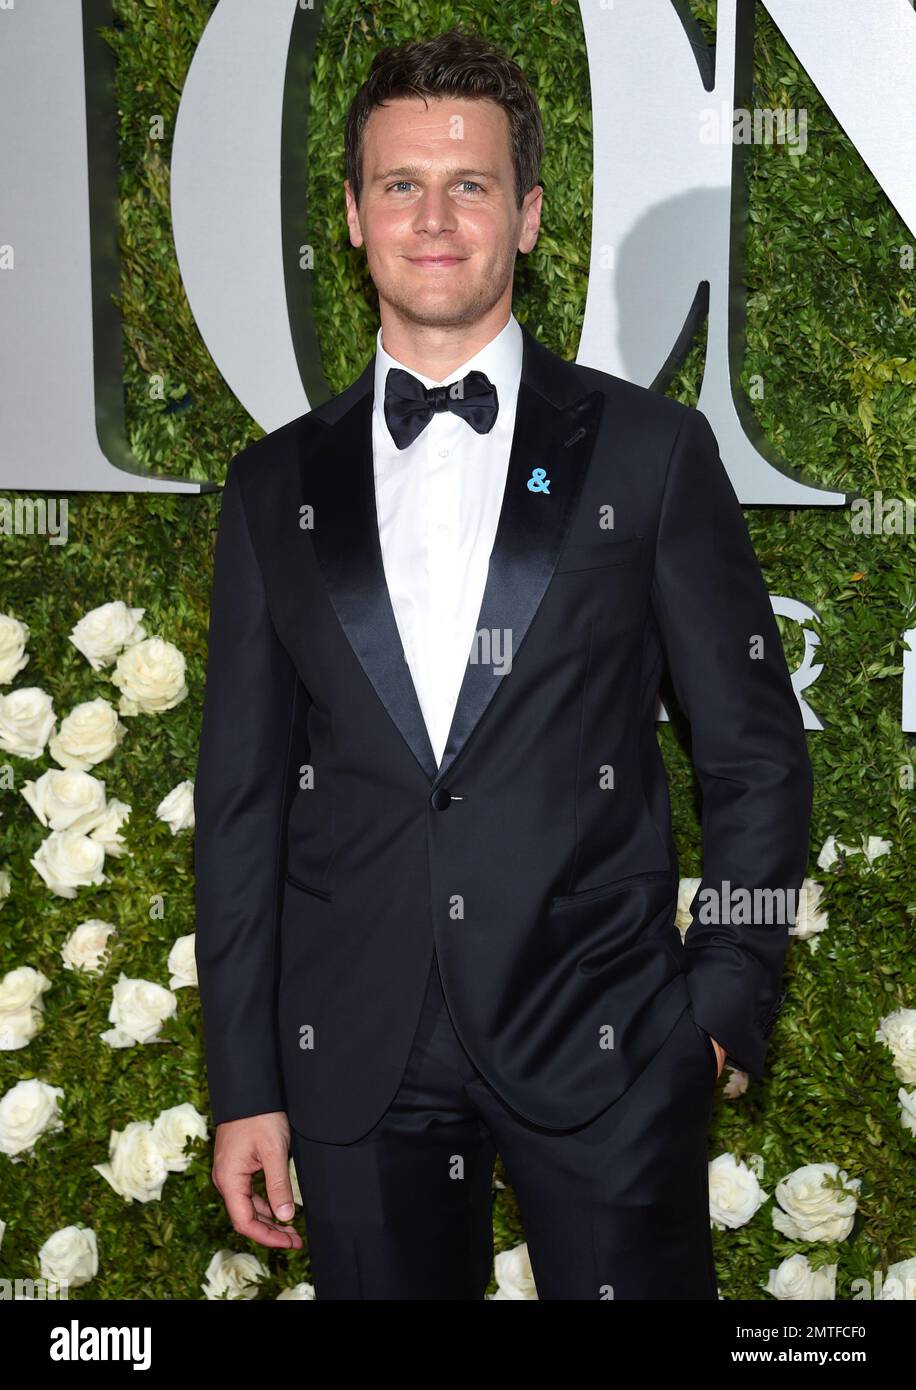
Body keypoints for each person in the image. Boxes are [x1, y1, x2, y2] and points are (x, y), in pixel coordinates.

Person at [193, 27, 813, 1299]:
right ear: (355, 218)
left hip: (606, 1043)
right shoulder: (270, 489)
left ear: (525, 216)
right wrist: (245, 1081)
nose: (435, 217)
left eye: (469, 184)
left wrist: (718, 1009)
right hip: (355, 1061)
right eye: (400, 186)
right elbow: (243, 804)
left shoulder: (649, 454)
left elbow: (755, 756)